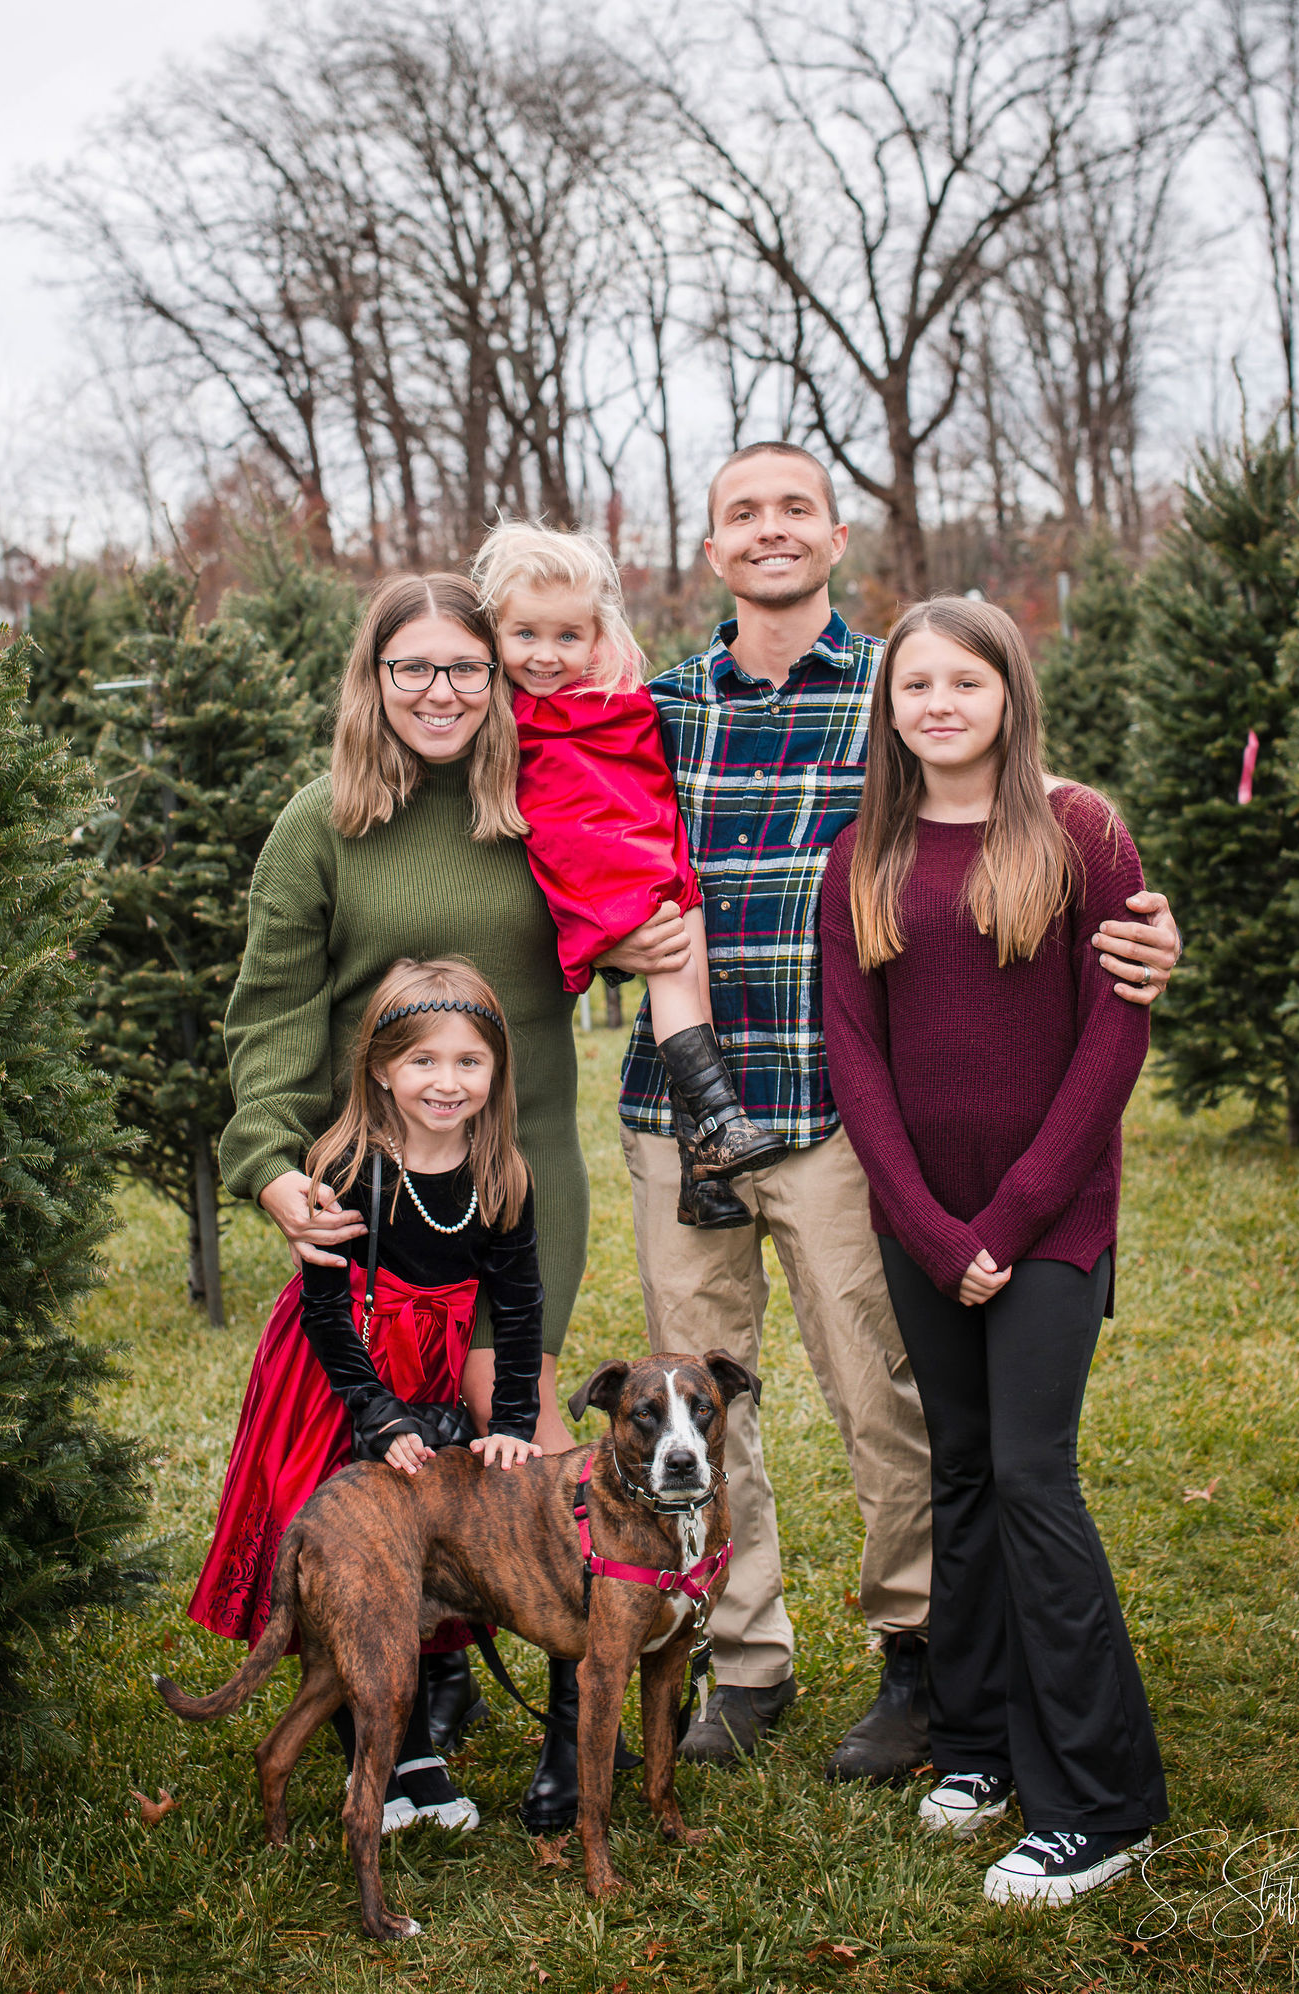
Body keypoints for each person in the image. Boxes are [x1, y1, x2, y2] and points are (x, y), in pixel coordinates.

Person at [603, 442, 1183, 1781]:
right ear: (709, 547)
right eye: (740, 513)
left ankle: (924, 1651)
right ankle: (738, 1654)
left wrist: (1152, 929)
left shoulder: (897, 690)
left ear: (835, 533)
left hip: (838, 1114)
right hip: (672, 1110)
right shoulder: (660, 709)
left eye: (793, 509)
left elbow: (1034, 824)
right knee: (696, 1398)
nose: (769, 531)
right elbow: (580, 838)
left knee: (885, 1396)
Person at [218, 572, 589, 1817]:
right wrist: (273, 1166)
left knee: (517, 1436)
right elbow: (266, 1021)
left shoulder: (540, 806)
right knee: (400, 1458)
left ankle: (570, 1713)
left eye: (465, 668)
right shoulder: (318, 823)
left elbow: (647, 880)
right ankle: (409, 1700)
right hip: (381, 1187)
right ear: (371, 681)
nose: (440, 691)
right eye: (412, 667)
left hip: (520, 1174)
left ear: (498, 684)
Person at [820, 595, 1167, 1904]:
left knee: (1032, 1475)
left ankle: (1100, 1796)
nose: (942, 704)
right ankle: (974, 1740)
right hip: (923, 1221)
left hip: (1051, 1218)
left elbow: (1111, 1043)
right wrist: (927, 1226)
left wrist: (1009, 1222)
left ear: (1009, 694)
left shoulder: (1080, 834)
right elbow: (857, 1060)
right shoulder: (865, 852)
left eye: (968, 681)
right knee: (957, 1468)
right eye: (918, 685)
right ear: (892, 707)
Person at [192, 956, 543, 1834]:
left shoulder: (500, 1175)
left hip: (430, 1379)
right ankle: (375, 1762)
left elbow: (520, 1305)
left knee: (416, 1555)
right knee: (352, 1562)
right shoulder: (348, 1165)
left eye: (469, 1062)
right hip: (336, 1379)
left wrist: (508, 1423)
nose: (447, 1082)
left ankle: (416, 1747)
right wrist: (375, 1414)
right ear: (382, 1067)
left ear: (496, 1070)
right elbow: (324, 1309)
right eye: (424, 1060)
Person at [470, 519, 784, 1227]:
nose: (547, 656)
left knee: (691, 970)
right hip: (598, 860)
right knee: (675, 969)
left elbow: (632, 757)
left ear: (596, 634)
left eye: (567, 638)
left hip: (648, 846)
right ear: (495, 633)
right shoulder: (504, 710)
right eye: (525, 636)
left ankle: (702, 1176)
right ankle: (719, 1117)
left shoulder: (609, 690)